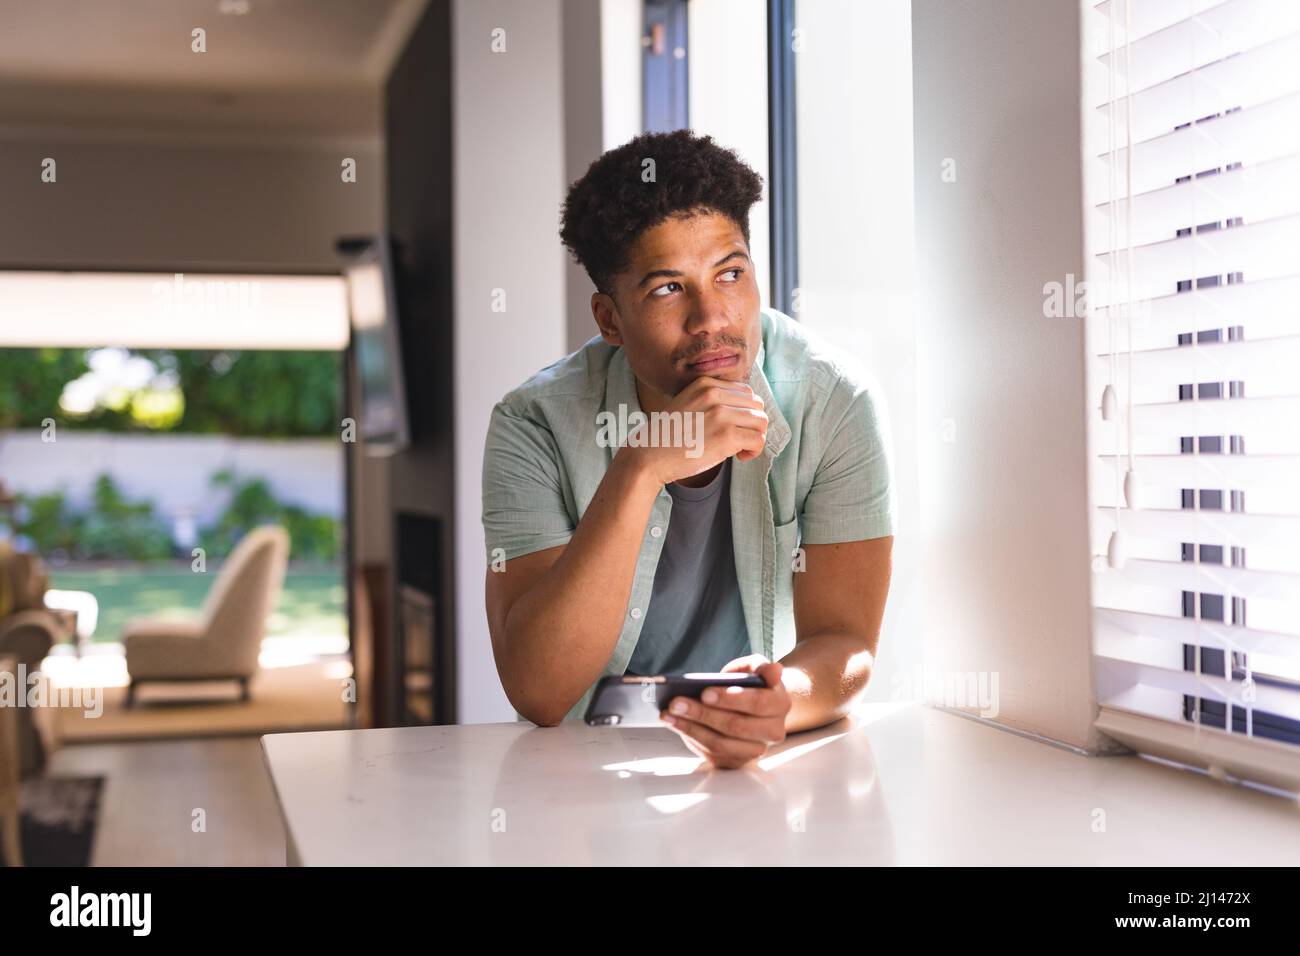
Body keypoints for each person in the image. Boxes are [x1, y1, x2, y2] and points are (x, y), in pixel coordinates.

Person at [483, 129, 894, 769]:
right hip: (580, 770)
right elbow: (539, 689)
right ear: (609, 319)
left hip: (760, 759)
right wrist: (643, 464)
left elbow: (845, 642)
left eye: (730, 274)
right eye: (668, 288)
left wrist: (777, 699)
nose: (712, 318)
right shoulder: (532, 423)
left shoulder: (833, 401)